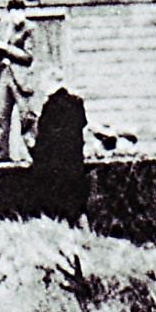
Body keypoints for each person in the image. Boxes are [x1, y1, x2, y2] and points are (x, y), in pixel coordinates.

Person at [0, 0, 38, 161]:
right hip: (4, 74)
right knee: (0, 116)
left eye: (20, 11)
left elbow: (28, 56)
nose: (17, 16)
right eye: (13, 12)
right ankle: (1, 152)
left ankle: (34, 152)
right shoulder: (4, 27)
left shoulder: (30, 29)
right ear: (9, 13)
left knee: (26, 117)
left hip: (21, 78)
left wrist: (4, 47)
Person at [31, 82, 89, 226]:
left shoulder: (49, 107)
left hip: (52, 162)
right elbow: (83, 124)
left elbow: (42, 136)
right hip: (73, 161)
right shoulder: (77, 104)